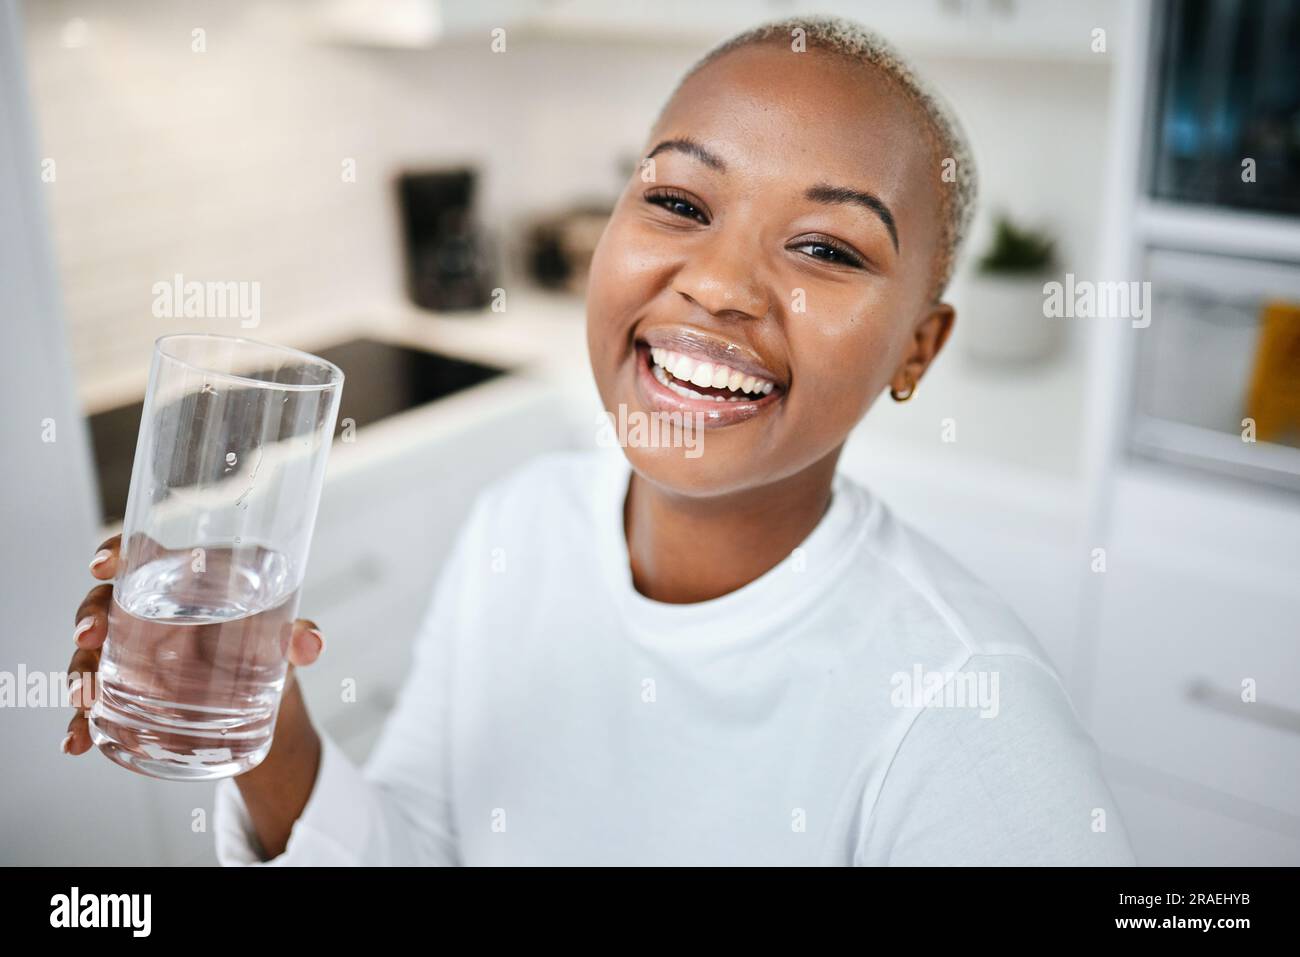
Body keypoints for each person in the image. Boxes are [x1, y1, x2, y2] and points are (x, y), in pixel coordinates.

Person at [64, 15, 1134, 866]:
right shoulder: (517, 525)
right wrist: (267, 731)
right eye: (676, 199)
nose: (717, 285)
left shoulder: (965, 716)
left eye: (824, 247)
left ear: (918, 349)